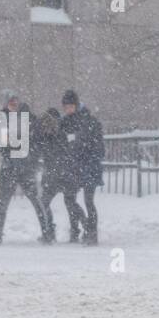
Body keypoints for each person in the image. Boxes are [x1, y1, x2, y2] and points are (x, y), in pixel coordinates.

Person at [0, 92, 52, 244]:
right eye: (11, 103)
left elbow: (38, 140)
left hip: (24, 167)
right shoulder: (1, 119)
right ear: (6, 104)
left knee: (35, 200)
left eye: (15, 102)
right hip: (10, 167)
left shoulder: (27, 117)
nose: (14, 105)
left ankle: (46, 233)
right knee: (3, 202)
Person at [59, 90, 104, 245]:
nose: (68, 109)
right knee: (69, 199)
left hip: (88, 166)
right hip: (74, 167)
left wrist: (79, 147)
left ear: (76, 105)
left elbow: (97, 146)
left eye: (70, 106)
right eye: (65, 107)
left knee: (88, 201)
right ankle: (81, 228)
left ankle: (92, 234)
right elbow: (61, 141)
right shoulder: (65, 122)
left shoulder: (89, 121)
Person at [35, 108, 84, 242]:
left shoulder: (61, 135)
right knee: (60, 203)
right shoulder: (46, 136)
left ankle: (76, 230)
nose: (47, 125)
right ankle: (53, 231)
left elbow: (65, 155)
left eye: (49, 122)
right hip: (57, 176)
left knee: (69, 203)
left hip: (63, 175)